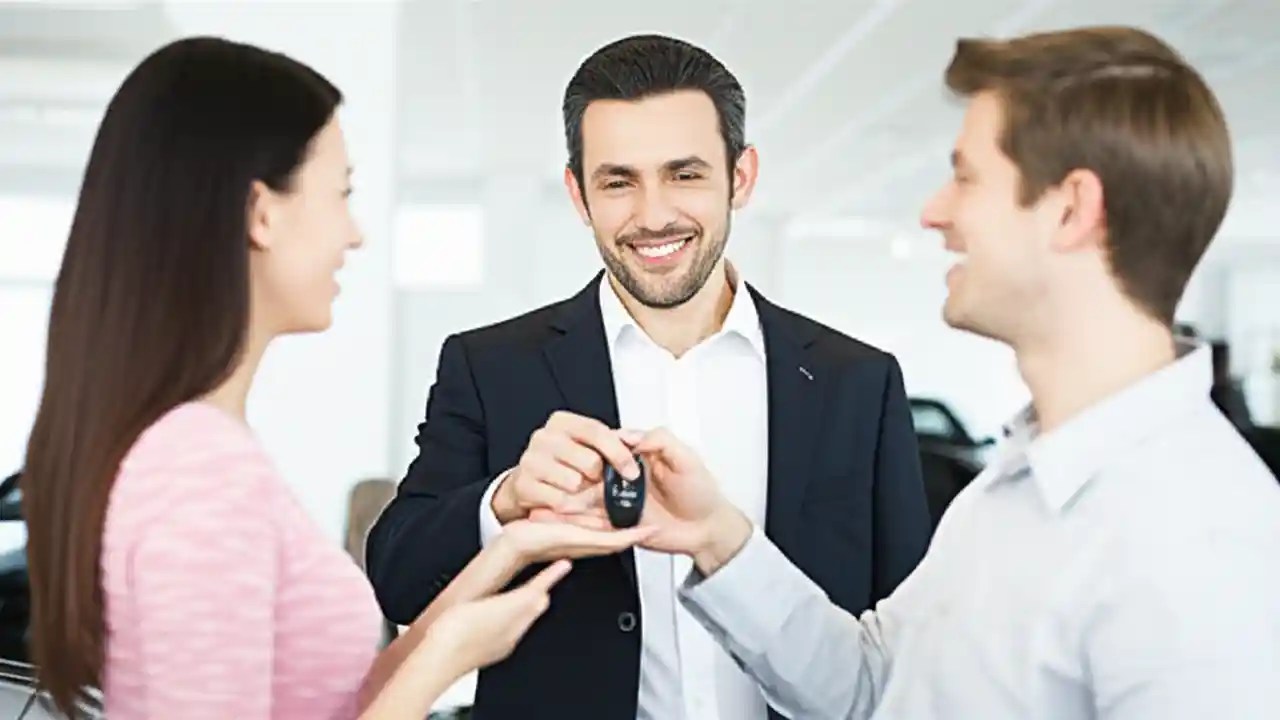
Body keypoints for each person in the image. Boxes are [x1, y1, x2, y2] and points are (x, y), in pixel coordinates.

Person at [602, 25, 1280, 719]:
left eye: (966, 176)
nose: (934, 213)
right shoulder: (1005, 499)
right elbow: (873, 686)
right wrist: (717, 535)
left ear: (1072, 209)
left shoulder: (1200, 541)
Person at [18, 36, 651, 719]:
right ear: (262, 214)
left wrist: (515, 544)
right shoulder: (197, 467)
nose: (355, 235)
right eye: (341, 193)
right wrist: (444, 657)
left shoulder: (204, 448)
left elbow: (332, 705)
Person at [366, 33, 932, 719]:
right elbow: (398, 582)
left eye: (685, 175)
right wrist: (505, 502)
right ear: (579, 194)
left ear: (741, 177)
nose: (653, 214)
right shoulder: (490, 366)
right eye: (618, 181)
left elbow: (911, 654)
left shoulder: (857, 383)